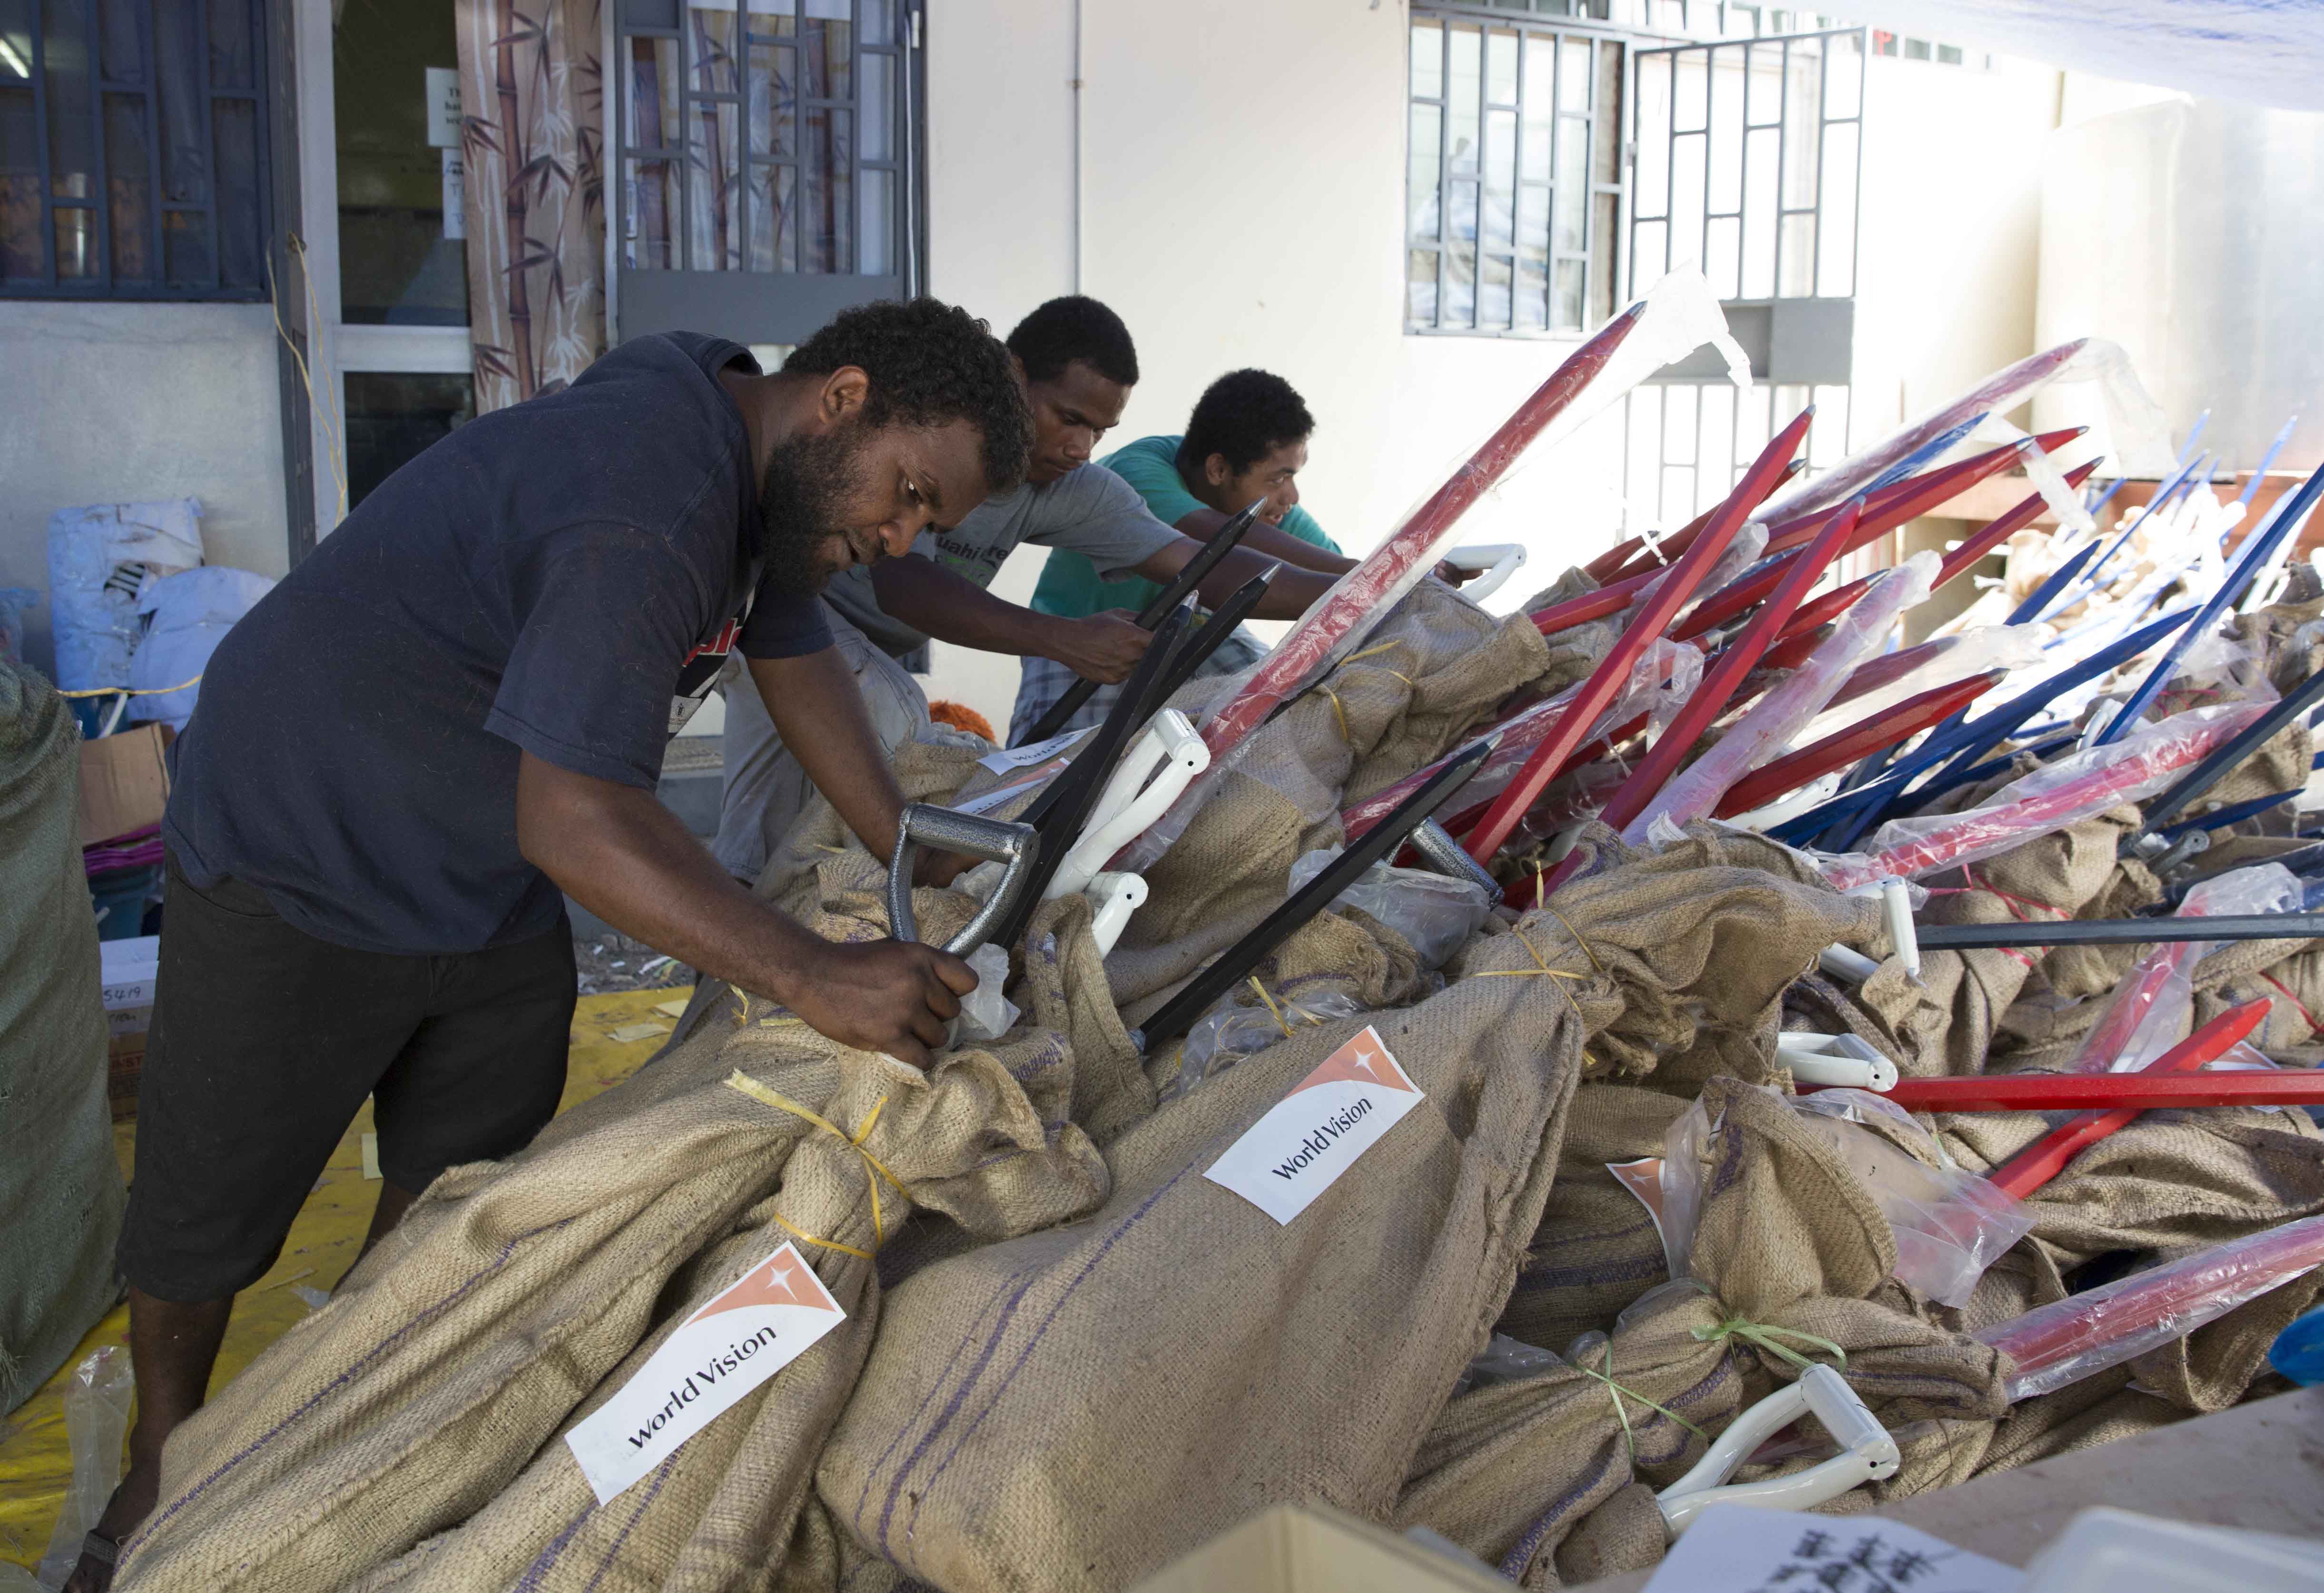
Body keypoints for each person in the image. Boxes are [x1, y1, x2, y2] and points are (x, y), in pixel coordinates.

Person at [64, 298, 1032, 1593]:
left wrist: (913, 842)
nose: (902, 536)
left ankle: (334, 1405)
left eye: (930, 523)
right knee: (212, 1203)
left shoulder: (751, 441)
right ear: (842, 397)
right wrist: (813, 974)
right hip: (306, 831)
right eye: (909, 495)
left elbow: (788, 639)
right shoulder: (649, 503)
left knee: (465, 1176)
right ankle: (163, 1466)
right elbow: (577, 815)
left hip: (481, 853)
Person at [713, 297, 1361, 885]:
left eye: (1100, 433)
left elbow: (1201, 566)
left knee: (827, 829)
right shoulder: (940, 439)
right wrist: (1060, 638)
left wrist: (1371, 585)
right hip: (797, 618)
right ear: (1014, 374)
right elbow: (906, 586)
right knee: (804, 817)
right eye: (1068, 418)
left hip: (866, 650)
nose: (1081, 448)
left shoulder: (1072, 487)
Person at [1010, 367, 1351, 740]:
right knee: (1045, 777)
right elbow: (1215, 547)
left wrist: (1385, 574)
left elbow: (1340, 570)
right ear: (1219, 469)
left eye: (1293, 477)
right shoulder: (1138, 469)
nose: (1292, 497)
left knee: (1285, 717)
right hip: (1082, 638)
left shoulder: (1272, 506)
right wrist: (1368, 583)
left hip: (1191, 633)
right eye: (1278, 478)